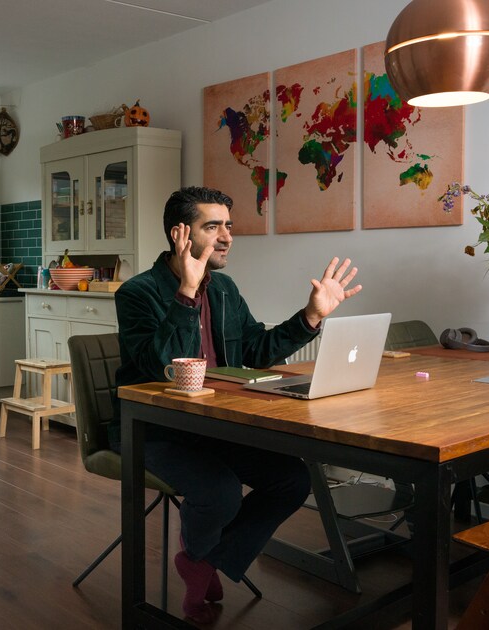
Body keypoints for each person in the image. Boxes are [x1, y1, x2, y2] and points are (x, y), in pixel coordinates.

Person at [113, 186, 362, 624]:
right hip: (155, 429)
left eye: (228, 225)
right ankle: (202, 558)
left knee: (290, 479)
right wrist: (187, 295)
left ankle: (201, 560)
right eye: (213, 226)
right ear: (180, 234)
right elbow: (156, 365)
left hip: (215, 423)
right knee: (221, 493)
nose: (227, 236)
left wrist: (311, 316)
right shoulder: (137, 293)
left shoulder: (225, 288)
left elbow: (257, 349)